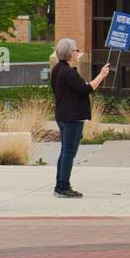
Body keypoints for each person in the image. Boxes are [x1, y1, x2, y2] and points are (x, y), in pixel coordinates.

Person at [50, 38, 110, 198]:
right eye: (76, 50)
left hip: (62, 115)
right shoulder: (68, 72)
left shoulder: (57, 69)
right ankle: (63, 187)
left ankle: (60, 184)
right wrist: (102, 75)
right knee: (69, 152)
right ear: (70, 53)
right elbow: (86, 89)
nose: (78, 52)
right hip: (72, 117)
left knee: (65, 151)